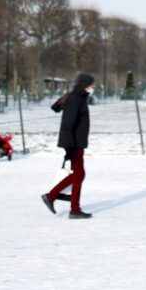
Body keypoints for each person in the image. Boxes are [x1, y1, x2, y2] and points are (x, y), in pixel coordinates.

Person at [42, 73, 94, 219]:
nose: (93, 87)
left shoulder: (77, 97)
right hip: (74, 143)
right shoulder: (76, 98)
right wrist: (69, 147)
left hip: (77, 142)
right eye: (91, 84)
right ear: (84, 85)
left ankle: (59, 199)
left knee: (79, 174)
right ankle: (67, 205)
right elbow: (68, 124)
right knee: (79, 174)